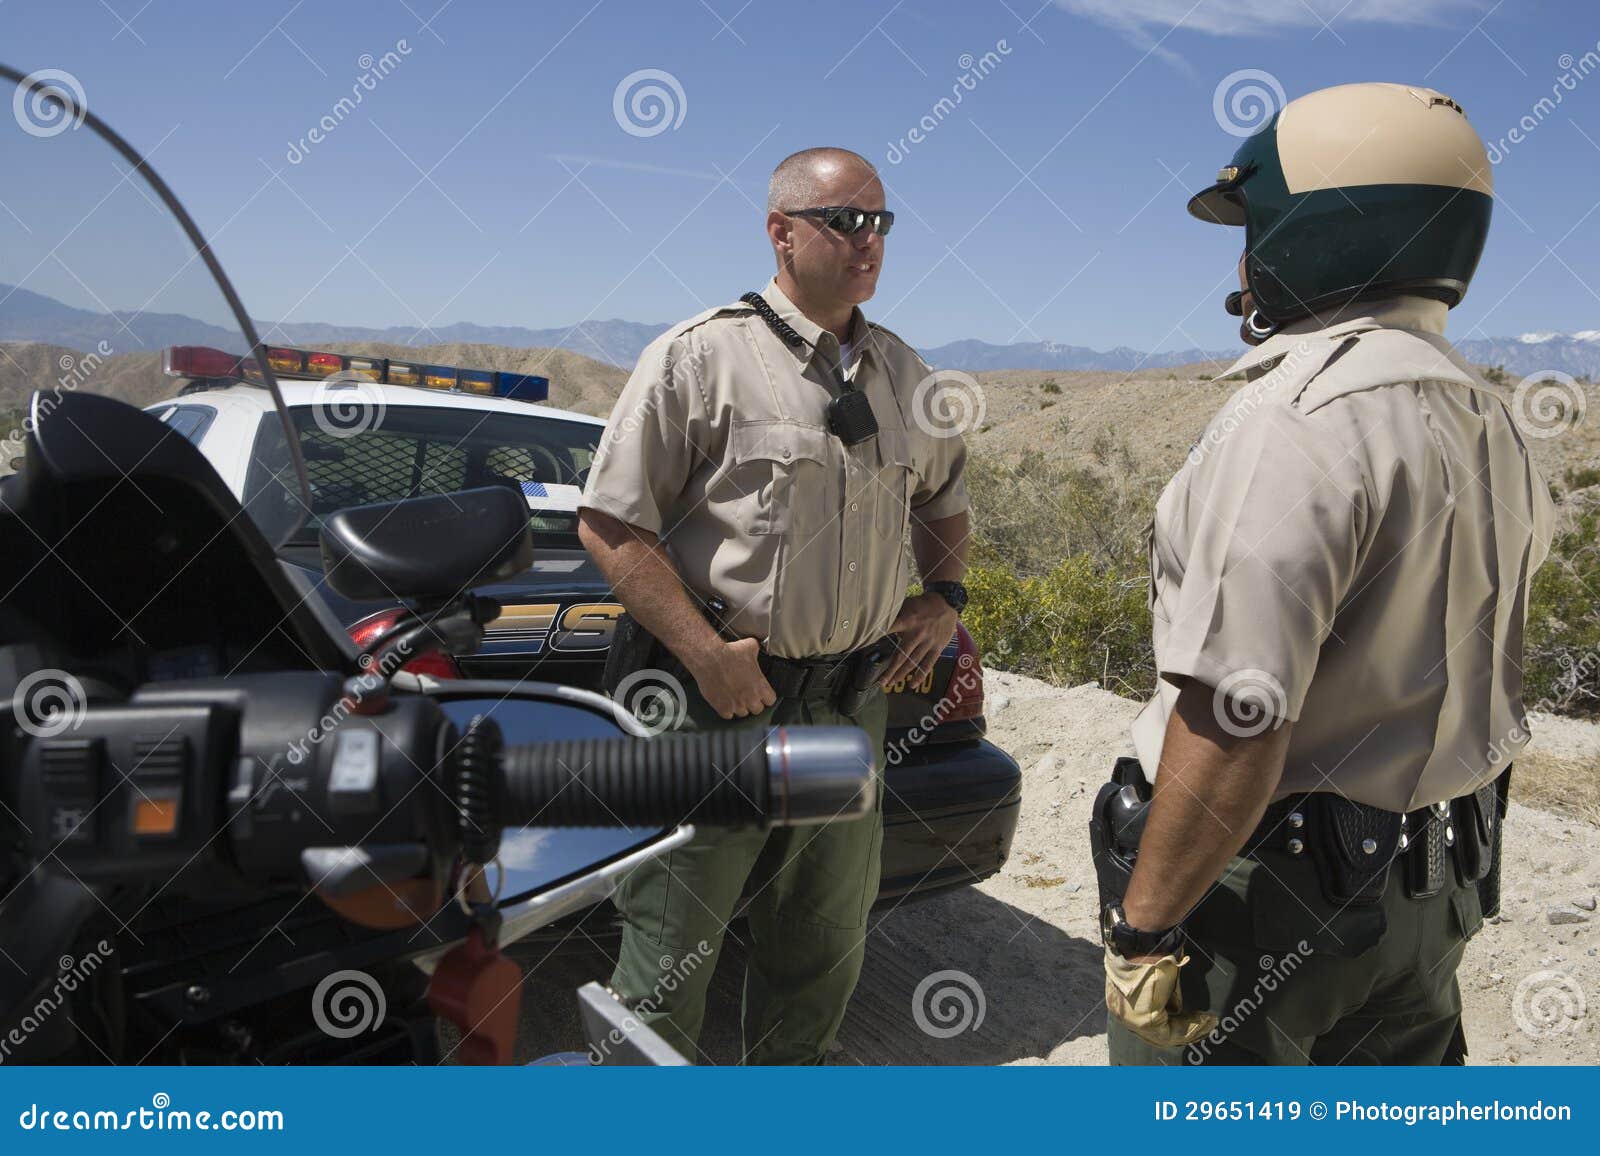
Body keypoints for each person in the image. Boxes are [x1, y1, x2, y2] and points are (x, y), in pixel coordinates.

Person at [1096, 83, 1556, 1065]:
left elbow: (1234, 722)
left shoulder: (1293, 422)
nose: (1243, 257)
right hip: (1427, 897)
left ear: (1324, 227)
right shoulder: (1492, 420)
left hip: (1266, 915)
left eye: (1257, 225)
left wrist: (1141, 930)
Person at [577, 146, 971, 1064]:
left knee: (822, 947)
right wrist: (704, 651)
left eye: (879, 222)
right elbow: (609, 525)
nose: (867, 240)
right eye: (844, 220)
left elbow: (945, 503)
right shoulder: (700, 357)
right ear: (781, 231)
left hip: (847, 706)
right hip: (712, 706)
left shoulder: (909, 378)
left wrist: (942, 596)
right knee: (671, 949)